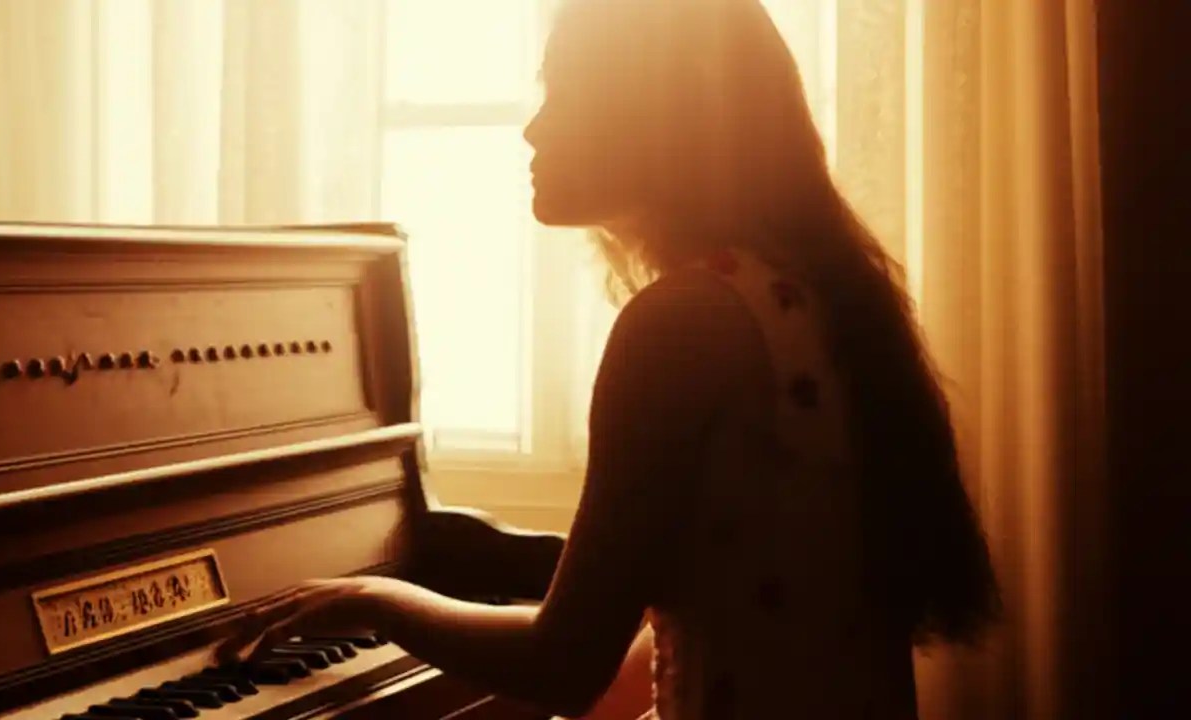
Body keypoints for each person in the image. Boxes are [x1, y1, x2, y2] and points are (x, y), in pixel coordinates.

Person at [217, 0, 1001, 717]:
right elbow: (690, 618)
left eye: (563, 93)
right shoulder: (808, 294)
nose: (533, 129)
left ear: (653, 115)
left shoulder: (681, 325)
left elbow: (562, 663)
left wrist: (378, 600)